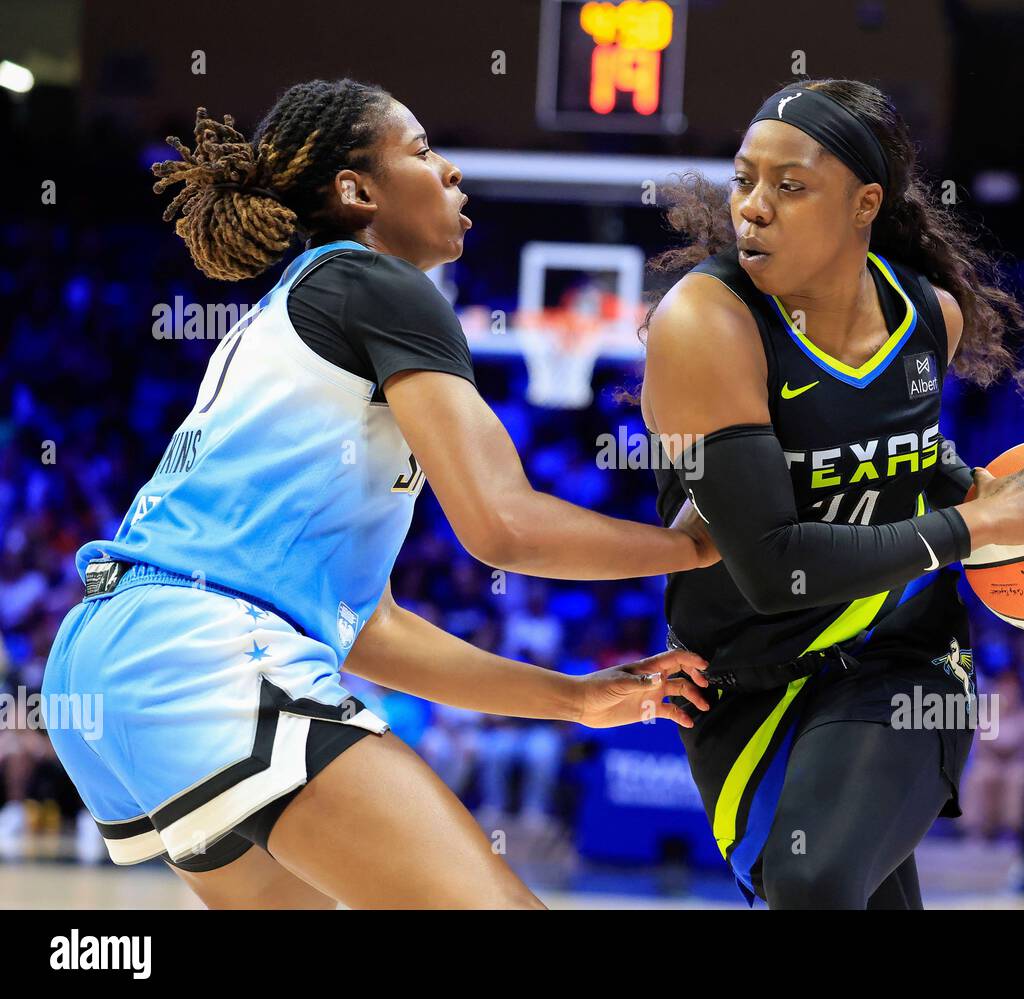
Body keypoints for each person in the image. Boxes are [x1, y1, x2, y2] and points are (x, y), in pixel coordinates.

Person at [42, 78, 717, 910]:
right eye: (424, 152)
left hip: (111, 662)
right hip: (201, 648)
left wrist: (573, 697)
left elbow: (369, 628)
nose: (453, 171)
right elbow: (503, 525)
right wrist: (692, 547)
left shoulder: (285, 315)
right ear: (357, 190)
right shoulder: (379, 284)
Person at [640, 78, 1024, 908]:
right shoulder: (706, 321)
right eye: (744, 179)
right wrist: (969, 523)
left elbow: (904, 460)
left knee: (813, 879)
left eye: (790, 186)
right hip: (744, 678)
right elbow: (775, 568)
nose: (753, 207)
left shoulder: (930, 318)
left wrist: (997, 498)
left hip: (900, 653)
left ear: (865, 203)